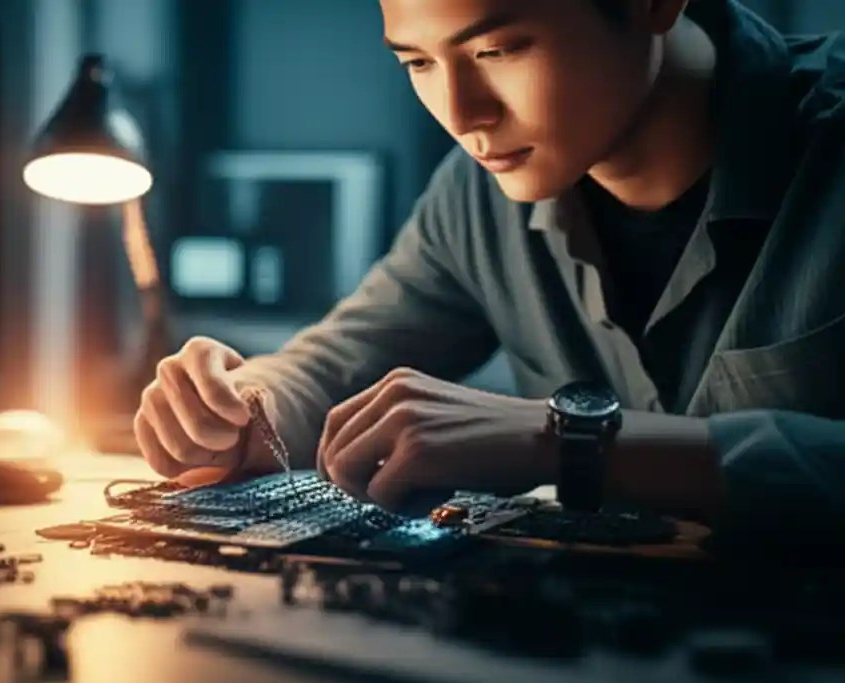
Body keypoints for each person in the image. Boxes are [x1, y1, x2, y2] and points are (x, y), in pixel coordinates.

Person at [135, 0, 845, 547]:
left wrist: (570, 445)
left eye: (496, 48)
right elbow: (336, 365)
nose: (462, 113)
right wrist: (239, 404)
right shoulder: (478, 193)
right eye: (417, 63)